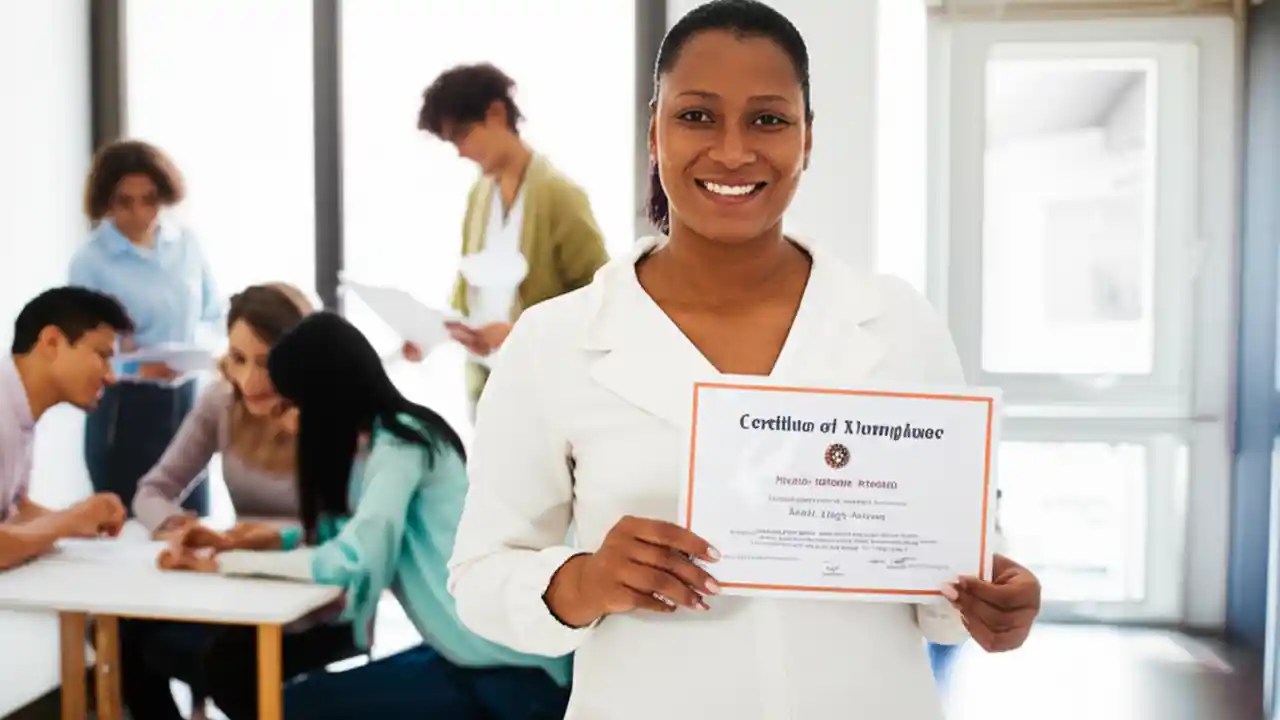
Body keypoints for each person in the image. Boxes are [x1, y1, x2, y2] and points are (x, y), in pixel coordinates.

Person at [447, 2, 1042, 719]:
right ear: (654, 133)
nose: (732, 152)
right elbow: (481, 576)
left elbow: (960, 557)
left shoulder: (897, 324)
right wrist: (584, 581)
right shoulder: (556, 343)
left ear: (808, 138)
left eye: (768, 119)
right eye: (697, 116)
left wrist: (993, 598)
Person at [160, 312, 571, 719]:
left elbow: (356, 557)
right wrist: (269, 540)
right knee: (289, 701)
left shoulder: (404, 444)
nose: (284, 424)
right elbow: (346, 535)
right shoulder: (372, 448)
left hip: (508, 666)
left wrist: (226, 563)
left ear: (325, 396)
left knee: (291, 706)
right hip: (462, 652)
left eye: (289, 406)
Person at [120, 284, 357, 720]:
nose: (248, 380)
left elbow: (355, 534)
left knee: (226, 666)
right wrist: (183, 531)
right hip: (235, 583)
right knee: (124, 637)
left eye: (266, 363)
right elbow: (153, 491)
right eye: (237, 358)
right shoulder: (221, 402)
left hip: (318, 601)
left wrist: (262, 542)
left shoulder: (339, 415)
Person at [406, 63, 609, 410]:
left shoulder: (560, 195)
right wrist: (430, 335)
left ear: (497, 114)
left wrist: (518, 331)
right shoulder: (479, 196)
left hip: (544, 388)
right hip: (488, 386)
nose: (460, 151)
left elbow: (600, 298)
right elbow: (468, 289)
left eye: (462, 135)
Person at [70, 140, 222, 516]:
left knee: (190, 522)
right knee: (127, 526)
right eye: (125, 201)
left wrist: (195, 356)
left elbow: (214, 315)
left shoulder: (186, 244)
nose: (139, 213)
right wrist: (137, 368)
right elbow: (81, 355)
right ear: (107, 201)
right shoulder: (91, 261)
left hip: (185, 405)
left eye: (149, 199)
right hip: (122, 412)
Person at [0, 287, 131, 570]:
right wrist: (68, 521)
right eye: (102, 354)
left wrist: (81, 519)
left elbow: (12, 513)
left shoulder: (17, 408)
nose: (111, 376)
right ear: (52, 342)